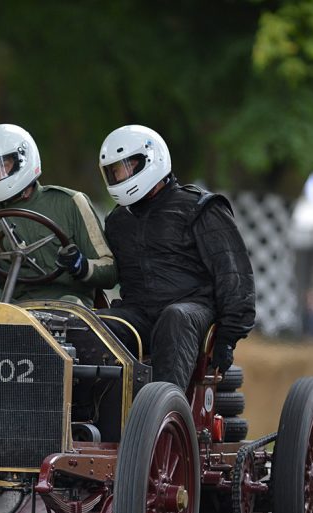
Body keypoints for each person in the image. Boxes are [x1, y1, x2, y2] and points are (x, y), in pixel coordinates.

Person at [97, 124, 255, 390]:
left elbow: (233, 274)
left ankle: (163, 417)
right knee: (94, 327)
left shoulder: (201, 207)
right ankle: (82, 420)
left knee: (174, 318)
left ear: (150, 160)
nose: (118, 176)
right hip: (138, 314)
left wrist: (228, 337)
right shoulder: (117, 221)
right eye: (113, 171)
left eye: (124, 167)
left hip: (192, 312)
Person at [0, 124, 116, 306]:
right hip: (12, 309)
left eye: (3, 165)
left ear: (23, 159)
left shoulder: (70, 202)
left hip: (67, 306)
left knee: (68, 305)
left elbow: (110, 271)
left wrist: (81, 265)